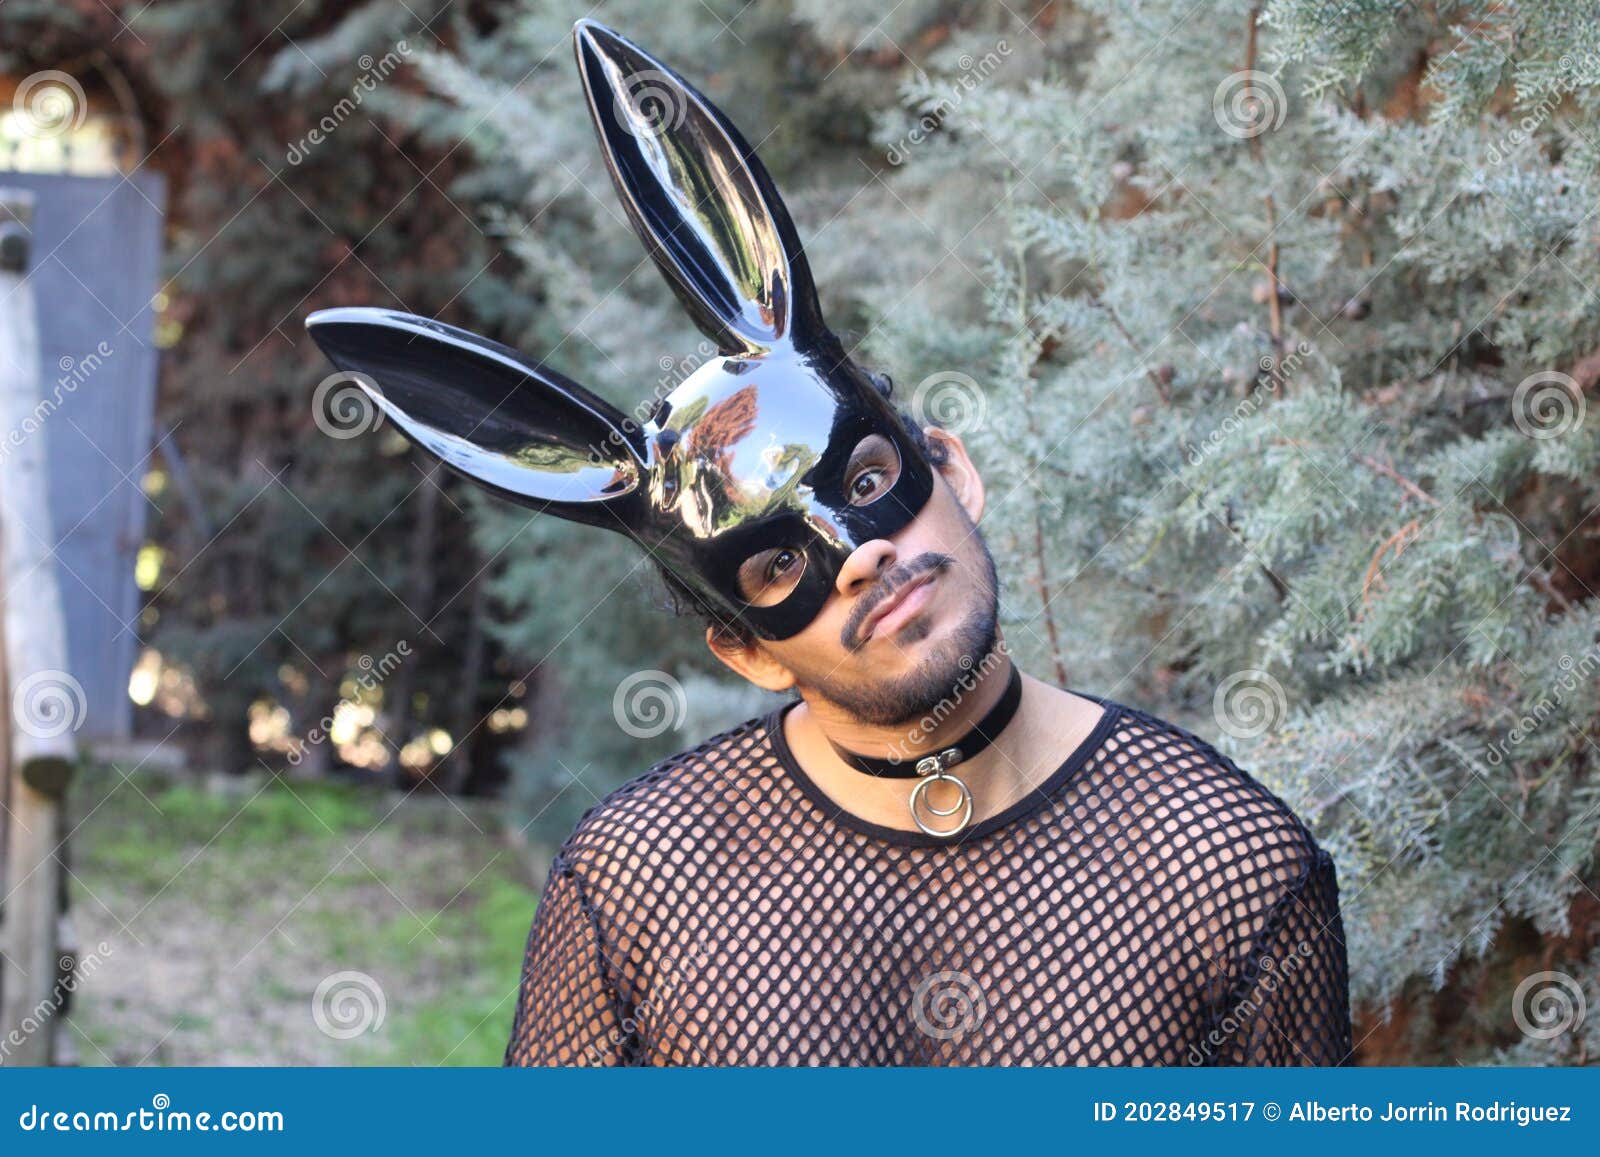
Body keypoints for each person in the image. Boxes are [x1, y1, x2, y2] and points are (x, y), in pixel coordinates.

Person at [306, 19, 1353, 1067]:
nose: (855, 553)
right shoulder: (636, 884)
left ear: (953, 467)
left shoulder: (1227, 869)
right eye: (773, 565)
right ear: (744, 650)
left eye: (865, 482)